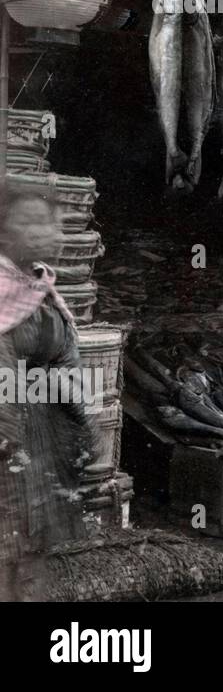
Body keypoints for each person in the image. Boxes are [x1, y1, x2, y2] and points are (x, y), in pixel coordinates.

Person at [0, 183, 90, 600]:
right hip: (8, 440)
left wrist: (76, 428)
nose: (44, 232)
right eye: (30, 221)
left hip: (40, 441)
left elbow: (67, 360)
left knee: (33, 556)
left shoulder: (39, 286)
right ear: (3, 231)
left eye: (50, 223)